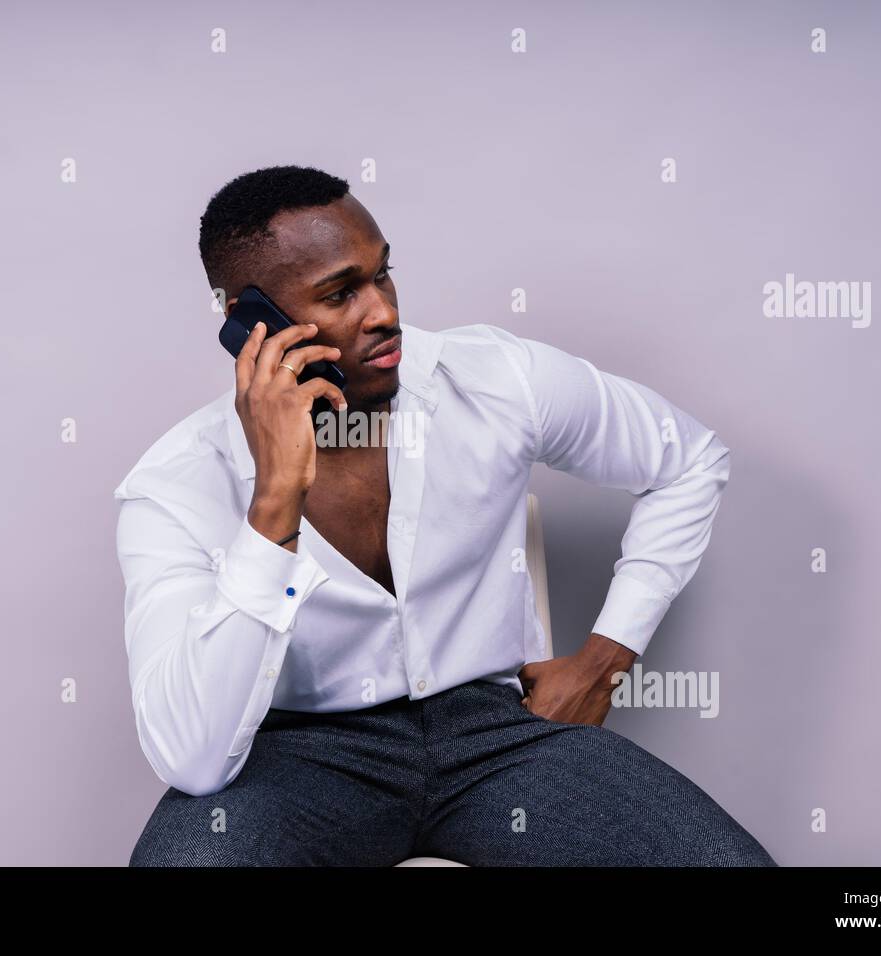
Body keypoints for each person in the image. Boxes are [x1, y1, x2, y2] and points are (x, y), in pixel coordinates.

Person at [113, 165, 775, 866]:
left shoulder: (493, 377)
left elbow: (688, 459)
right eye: (340, 293)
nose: (383, 312)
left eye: (383, 274)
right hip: (299, 757)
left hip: (497, 734)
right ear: (251, 322)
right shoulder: (176, 485)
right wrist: (275, 498)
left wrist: (605, 660)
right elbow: (194, 762)